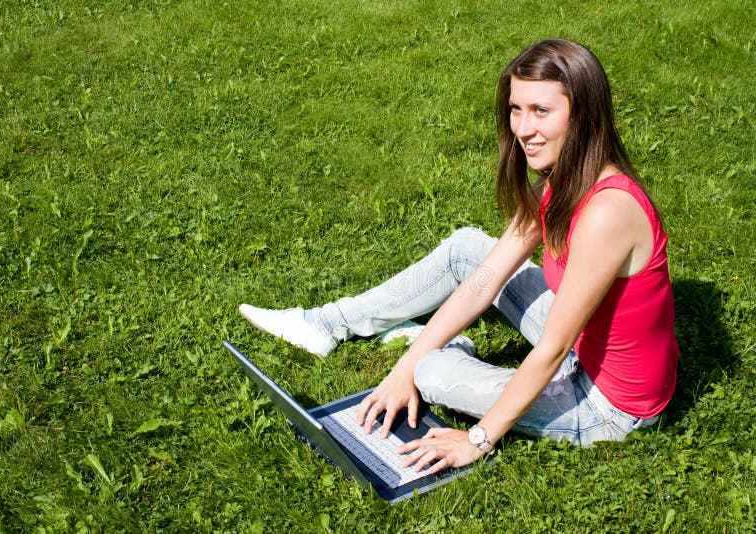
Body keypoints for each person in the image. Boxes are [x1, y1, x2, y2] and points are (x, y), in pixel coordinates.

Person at [238, 39, 679, 475]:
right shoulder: (563, 178)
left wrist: (476, 439)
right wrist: (398, 372)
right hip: (584, 342)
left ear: (583, 114)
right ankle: (327, 325)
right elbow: (485, 277)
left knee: (432, 372)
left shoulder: (608, 212)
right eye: (515, 109)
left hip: (607, 404)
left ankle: (443, 349)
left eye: (541, 111)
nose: (523, 129)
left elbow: (553, 347)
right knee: (468, 248)